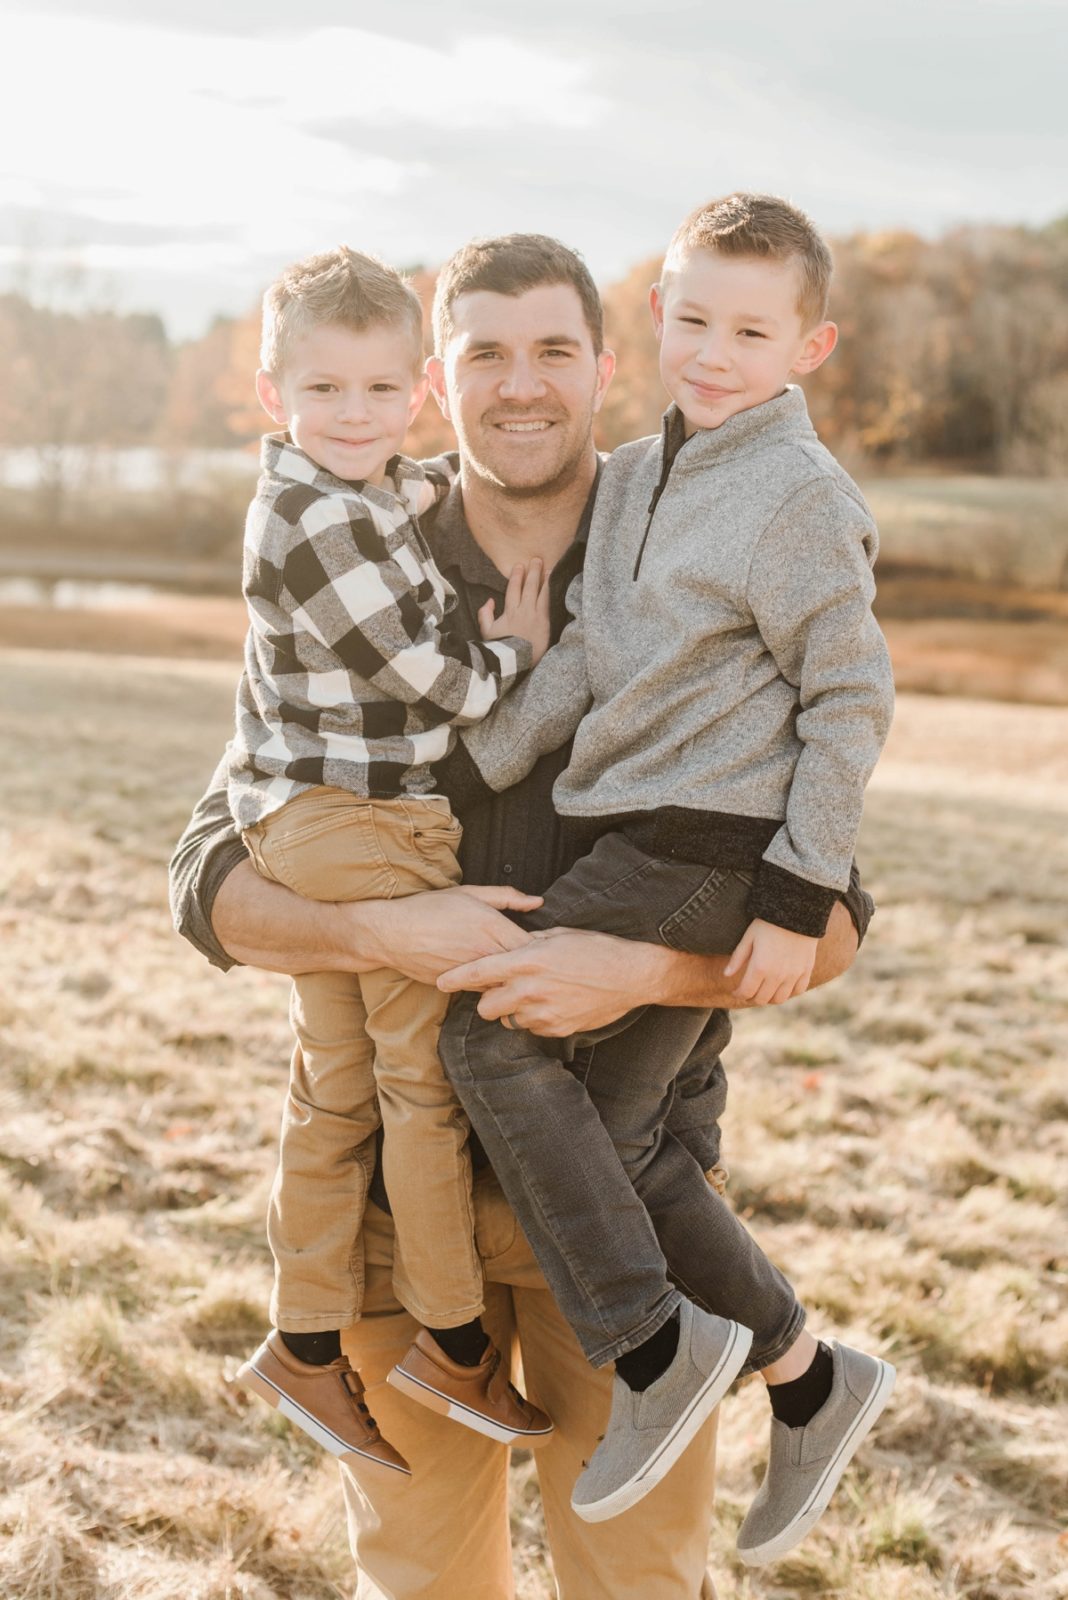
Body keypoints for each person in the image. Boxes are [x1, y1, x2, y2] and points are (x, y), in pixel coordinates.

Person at [169, 231, 873, 1600]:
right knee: (427, 1586)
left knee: (637, 1586)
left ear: (611, 366)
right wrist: (387, 934)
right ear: (436, 378)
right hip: (396, 1228)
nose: (521, 384)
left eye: (555, 348)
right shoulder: (356, 545)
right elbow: (212, 881)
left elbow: (830, 914)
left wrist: (643, 968)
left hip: (615, 1221)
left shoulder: (692, 543)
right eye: (484, 351)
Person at [432, 195, 896, 1560]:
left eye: (750, 330)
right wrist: (486, 747)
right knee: (622, 1140)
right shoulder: (634, 475)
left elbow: (850, 702)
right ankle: (809, 1375)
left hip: (714, 844)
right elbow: (589, 655)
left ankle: (650, 1349)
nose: (713, 350)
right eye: (692, 318)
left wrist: (797, 893)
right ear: (656, 313)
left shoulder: (805, 500)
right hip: (634, 828)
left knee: (491, 1037)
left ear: (809, 345)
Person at [225, 244, 554, 1471]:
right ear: (276, 399)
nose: (351, 416)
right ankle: (452, 1339)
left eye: (376, 391)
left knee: (337, 1082)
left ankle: (305, 1343)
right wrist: (514, 649)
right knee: (417, 1081)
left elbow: (403, 495)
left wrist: (425, 484)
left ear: (414, 390)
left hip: (324, 818)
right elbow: (426, 679)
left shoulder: (356, 489)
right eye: (324, 393)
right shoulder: (309, 514)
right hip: (356, 823)